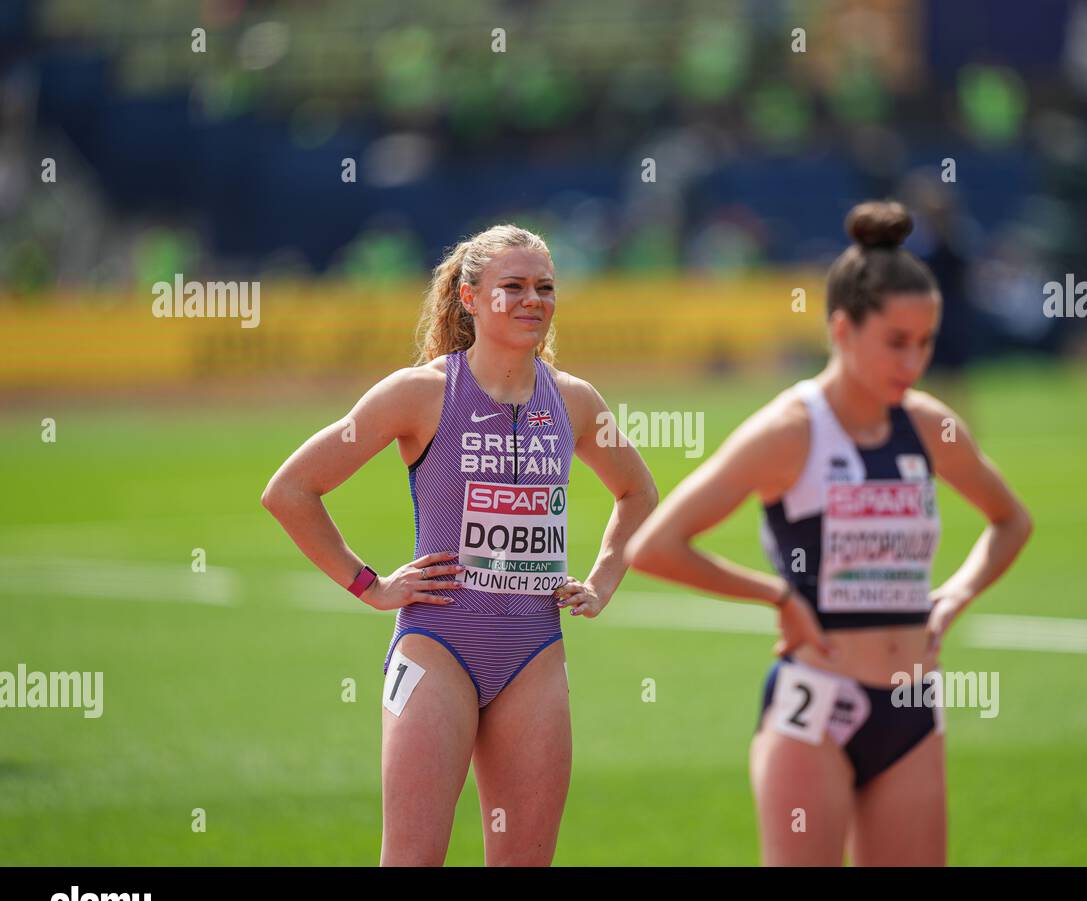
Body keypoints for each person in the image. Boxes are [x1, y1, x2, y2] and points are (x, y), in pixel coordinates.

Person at [626, 200, 1032, 866]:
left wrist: (956, 595)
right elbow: (656, 547)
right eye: (896, 342)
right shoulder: (790, 430)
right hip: (817, 707)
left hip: (912, 706)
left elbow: (1011, 520)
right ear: (843, 329)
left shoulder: (927, 425)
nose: (914, 361)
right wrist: (777, 598)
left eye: (925, 342)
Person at [261, 224, 657, 866]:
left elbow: (638, 494)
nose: (534, 300)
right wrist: (370, 586)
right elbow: (291, 490)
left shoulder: (574, 402)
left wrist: (603, 580)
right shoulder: (420, 393)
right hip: (438, 647)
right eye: (515, 287)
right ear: (470, 297)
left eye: (545, 287)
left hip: (535, 651)